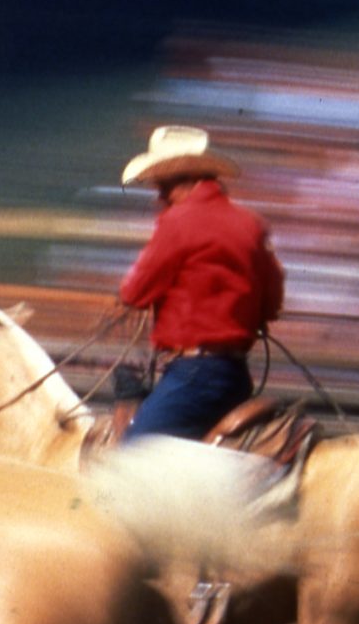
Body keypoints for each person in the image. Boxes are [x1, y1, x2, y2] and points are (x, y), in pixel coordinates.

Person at [117, 125, 284, 441]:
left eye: (162, 186)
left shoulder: (177, 222)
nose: (160, 196)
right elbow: (272, 303)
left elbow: (134, 292)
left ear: (183, 181)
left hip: (193, 375)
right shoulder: (252, 224)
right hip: (236, 375)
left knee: (134, 450)